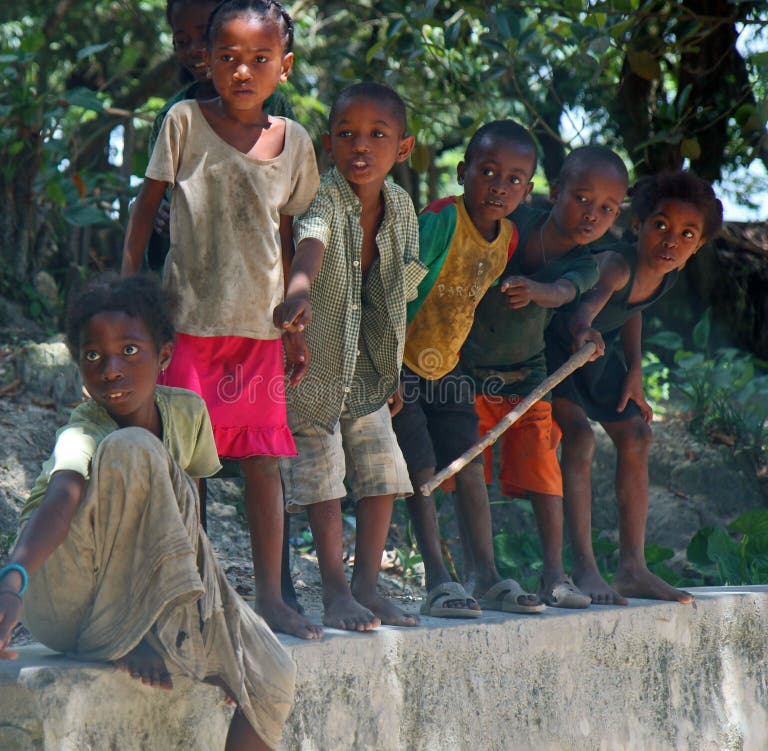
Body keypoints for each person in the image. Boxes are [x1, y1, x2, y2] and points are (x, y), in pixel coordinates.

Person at [0, 275, 295, 751]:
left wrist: (209, 627)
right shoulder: (84, 430)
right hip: (64, 596)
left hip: (149, 593)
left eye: (129, 351)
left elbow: (187, 515)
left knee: (273, 671)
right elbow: (60, 501)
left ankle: (167, 633)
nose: (111, 370)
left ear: (164, 356)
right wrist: (10, 583)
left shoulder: (188, 413)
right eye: (93, 356)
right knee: (134, 447)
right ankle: (132, 635)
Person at [121, 0, 322, 640]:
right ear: (205, 61)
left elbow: (292, 232)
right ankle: (188, 596)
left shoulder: (295, 143)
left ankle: (271, 598)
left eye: (259, 59)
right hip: (187, 328)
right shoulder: (183, 122)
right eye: (228, 57)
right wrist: (130, 293)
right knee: (186, 466)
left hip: (259, 333)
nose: (242, 70)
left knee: (263, 463)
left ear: (283, 67)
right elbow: (145, 208)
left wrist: (297, 318)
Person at [273, 82, 426, 631]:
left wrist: (394, 368)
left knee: (383, 467)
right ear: (328, 143)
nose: (361, 146)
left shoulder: (402, 208)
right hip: (314, 360)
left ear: (403, 148)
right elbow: (309, 244)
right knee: (322, 470)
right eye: (347, 134)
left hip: (369, 364)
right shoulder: (323, 196)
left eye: (377, 135)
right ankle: (335, 591)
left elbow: (398, 293)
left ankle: (367, 588)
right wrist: (298, 292)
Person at [461, 146, 629, 608]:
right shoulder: (515, 222)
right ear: (555, 193)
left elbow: (564, 294)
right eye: (582, 199)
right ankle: (482, 574)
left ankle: (555, 575)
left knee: (542, 468)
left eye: (607, 208)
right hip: (467, 370)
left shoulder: (586, 263)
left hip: (528, 375)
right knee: (470, 468)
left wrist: (543, 295)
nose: (591, 214)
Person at [547, 171, 723, 605]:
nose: (671, 241)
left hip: (598, 353)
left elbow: (633, 309)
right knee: (579, 438)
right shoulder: (617, 264)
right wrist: (583, 328)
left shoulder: (666, 272)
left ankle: (632, 569)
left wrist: (634, 370)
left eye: (687, 234)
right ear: (637, 224)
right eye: (660, 225)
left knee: (638, 436)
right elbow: (589, 306)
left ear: (698, 245)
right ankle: (585, 568)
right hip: (554, 348)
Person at [391, 120, 544, 618]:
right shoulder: (440, 221)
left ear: (528, 190)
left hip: (450, 370)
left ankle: (486, 575)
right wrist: (386, 367)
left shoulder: (508, 239)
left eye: (514, 179)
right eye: (488, 172)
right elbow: (394, 289)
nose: (499, 186)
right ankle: (438, 578)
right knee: (421, 471)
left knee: (469, 465)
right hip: (402, 365)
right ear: (463, 172)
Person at [146, 0, 296, 272]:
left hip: (259, 270)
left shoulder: (275, 109)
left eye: (204, 35)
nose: (195, 49)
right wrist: (161, 215)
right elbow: (155, 199)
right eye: (182, 41)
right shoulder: (172, 117)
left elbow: (292, 199)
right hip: (193, 273)